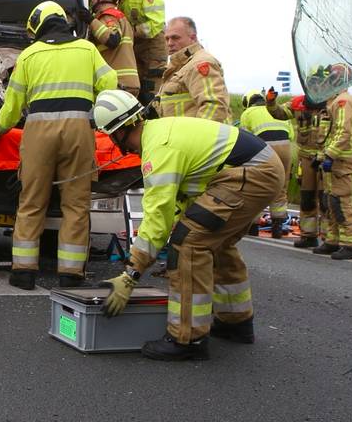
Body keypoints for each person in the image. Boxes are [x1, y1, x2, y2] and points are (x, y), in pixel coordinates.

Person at [94, 89, 285, 361]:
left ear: (117, 132)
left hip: (250, 174)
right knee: (215, 243)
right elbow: (177, 204)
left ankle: (187, 338)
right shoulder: (161, 132)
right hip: (261, 168)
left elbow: (157, 214)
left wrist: (132, 273)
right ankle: (236, 323)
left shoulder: (158, 149)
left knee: (189, 245)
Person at [0, 1, 117, 289]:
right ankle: (70, 274)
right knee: (76, 205)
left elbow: (13, 105)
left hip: (38, 134)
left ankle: (23, 271)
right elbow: (111, 82)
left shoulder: (30, 55)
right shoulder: (87, 49)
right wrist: (97, 116)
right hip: (79, 132)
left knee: (32, 202)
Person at [312, 68, 352, 260]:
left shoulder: (343, 101)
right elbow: (328, 134)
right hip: (333, 160)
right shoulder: (334, 101)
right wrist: (321, 156)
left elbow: (343, 132)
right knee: (331, 201)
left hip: (341, 161)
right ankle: (332, 240)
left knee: (341, 202)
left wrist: (330, 155)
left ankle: (351, 243)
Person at [239, 88, 294, 238]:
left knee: (258, 187)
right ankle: (277, 227)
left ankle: (254, 227)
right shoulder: (278, 110)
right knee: (280, 187)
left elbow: (245, 139)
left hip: (265, 150)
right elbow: (291, 135)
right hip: (286, 149)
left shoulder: (247, 113)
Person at [153, 16, 230, 122]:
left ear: (193, 38)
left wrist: (195, 138)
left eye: (175, 38)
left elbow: (214, 107)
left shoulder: (201, 63)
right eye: (167, 38)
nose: (169, 43)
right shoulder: (177, 67)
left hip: (196, 137)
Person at [108, 0, 165, 100]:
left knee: (152, 86)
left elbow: (155, 23)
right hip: (134, 44)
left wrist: (131, 31)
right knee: (135, 83)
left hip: (153, 44)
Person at [282, 93, 329, 248]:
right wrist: (270, 102)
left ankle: (329, 239)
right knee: (307, 199)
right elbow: (280, 113)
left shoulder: (332, 106)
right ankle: (308, 236)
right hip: (307, 160)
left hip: (324, 160)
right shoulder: (298, 103)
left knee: (325, 201)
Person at [88, 0, 140, 95]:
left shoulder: (108, 16)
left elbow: (113, 39)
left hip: (117, 83)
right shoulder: (123, 19)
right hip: (128, 83)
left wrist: (90, 20)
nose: (93, 0)